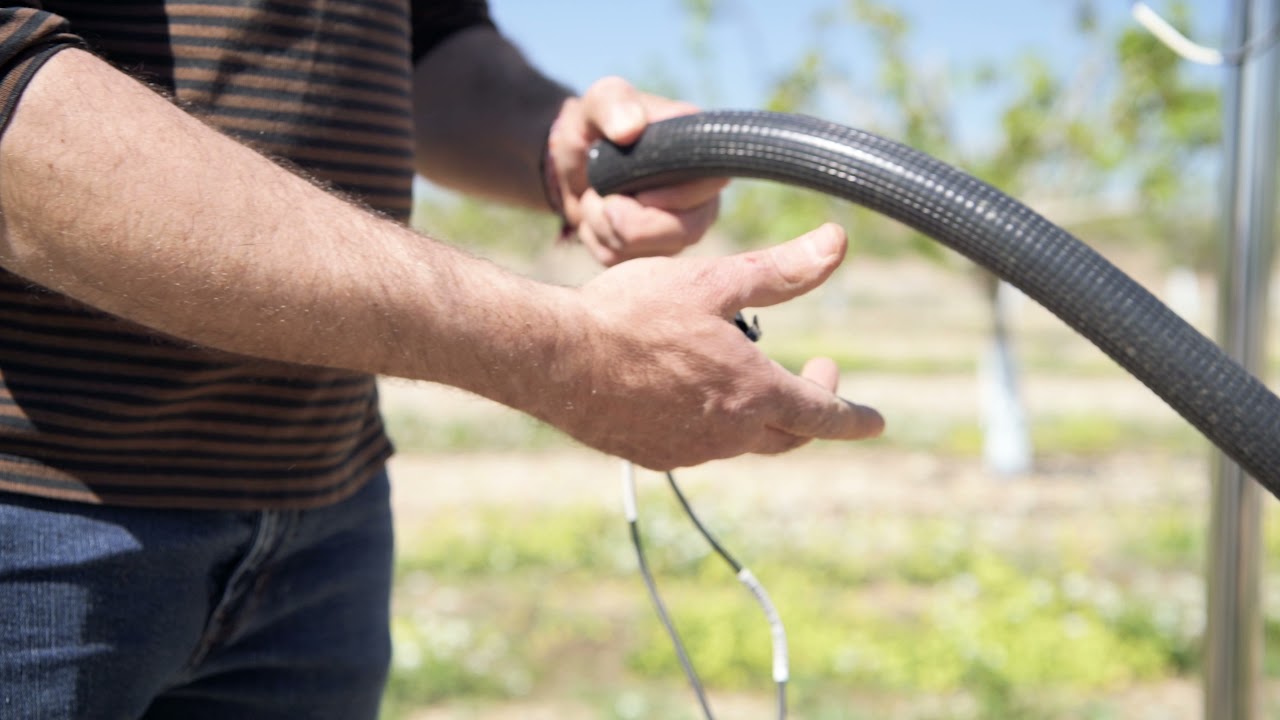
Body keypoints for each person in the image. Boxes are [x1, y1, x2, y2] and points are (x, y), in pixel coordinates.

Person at [0, 1, 884, 717]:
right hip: (37, 512)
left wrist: (558, 148)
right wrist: (564, 354)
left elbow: (426, 37)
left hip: (326, 510)